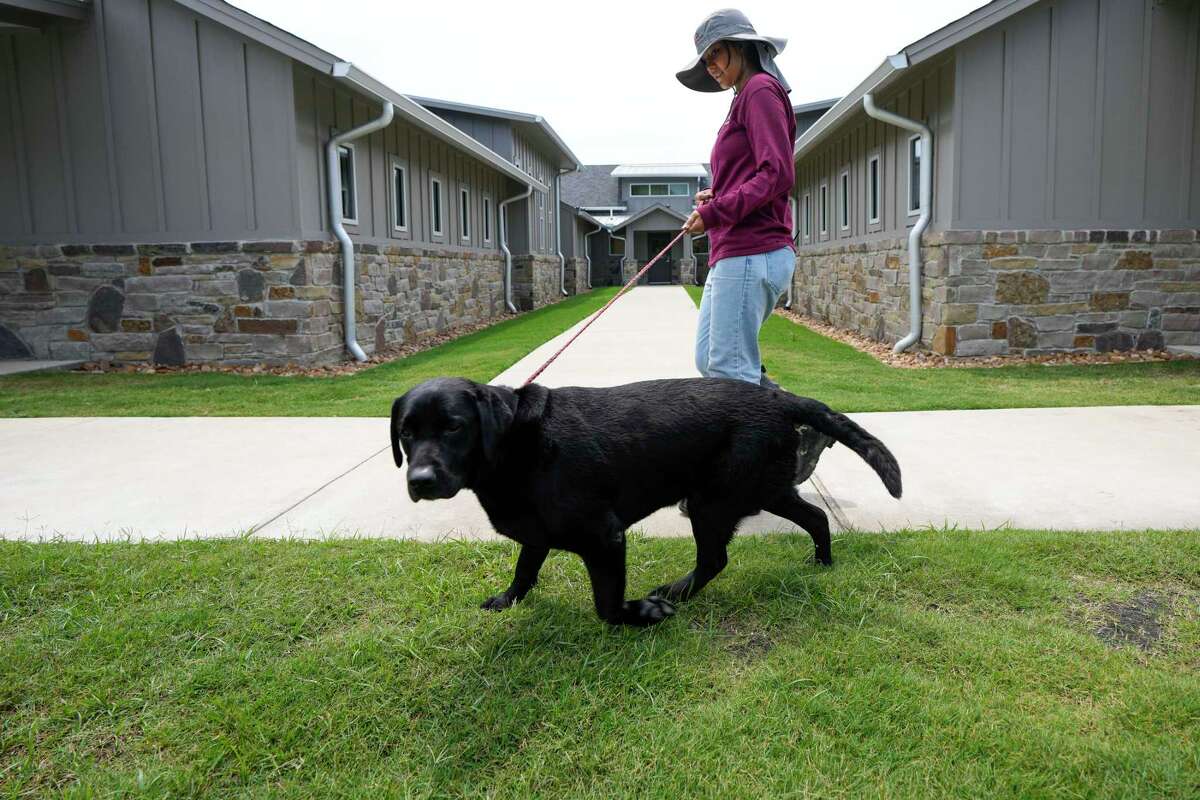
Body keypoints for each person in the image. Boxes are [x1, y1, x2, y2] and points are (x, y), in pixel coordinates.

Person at [677, 9, 832, 485]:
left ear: (742, 46)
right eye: (706, 60)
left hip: (752, 250)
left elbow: (777, 174)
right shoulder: (746, 97)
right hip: (739, 251)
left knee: (729, 368)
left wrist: (716, 212)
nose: (712, 67)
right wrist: (717, 198)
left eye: (716, 54)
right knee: (711, 360)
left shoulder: (761, 90)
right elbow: (753, 175)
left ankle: (747, 479)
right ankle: (802, 424)